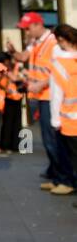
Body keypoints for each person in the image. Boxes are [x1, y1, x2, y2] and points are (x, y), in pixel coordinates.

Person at [18, 12, 76, 193]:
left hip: (51, 96)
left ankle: (64, 178)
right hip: (44, 96)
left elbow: (55, 72)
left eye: (28, 28)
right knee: (50, 140)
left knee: (54, 141)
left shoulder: (53, 43)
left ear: (37, 25)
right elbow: (25, 58)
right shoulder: (37, 43)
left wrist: (39, 84)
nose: (26, 32)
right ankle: (57, 175)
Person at [46, 24, 77, 197]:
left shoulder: (60, 64)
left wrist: (55, 120)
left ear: (61, 40)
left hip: (69, 121)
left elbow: (56, 95)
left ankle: (67, 181)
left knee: (70, 158)